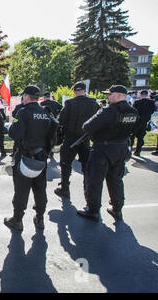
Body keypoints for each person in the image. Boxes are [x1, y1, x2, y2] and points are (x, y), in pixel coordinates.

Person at [77, 85, 139, 222]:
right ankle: (117, 209)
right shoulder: (133, 111)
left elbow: (87, 126)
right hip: (121, 148)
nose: (107, 97)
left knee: (94, 180)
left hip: (103, 149)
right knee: (116, 179)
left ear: (117, 95)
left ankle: (93, 210)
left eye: (109, 94)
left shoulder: (108, 110)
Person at [5, 85, 57, 231]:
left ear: (27, 97)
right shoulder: (46, 112)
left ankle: (17, 220)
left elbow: (15, 134)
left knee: (21, 190)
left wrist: (10, 127)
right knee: (40, 189)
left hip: (25, 156)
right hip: (42, 156)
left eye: (23, 96)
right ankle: (40, 219)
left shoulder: (23, 112)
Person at [54, 82, 100, 200]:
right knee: (86, 167)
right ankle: (88, 192)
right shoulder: (93, 104)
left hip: (71, 138)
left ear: (74, 91)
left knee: (65, 164)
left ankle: (65, 188)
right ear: (85, 91)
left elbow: (61, 120)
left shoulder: (70, 103)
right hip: (86, 139)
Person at [130, 90, 156, 157]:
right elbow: (153, 110)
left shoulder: (137, 102)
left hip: (136, 122)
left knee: (132, 137)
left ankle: (129, 151)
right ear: (147, 95)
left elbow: (133, 110)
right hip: (145, 122)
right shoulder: (151, 102)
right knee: (141, 138)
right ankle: (137, 151)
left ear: (140, 95)